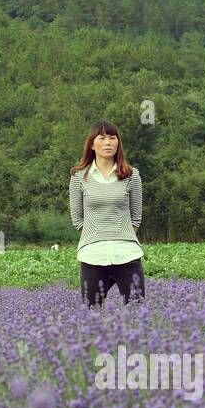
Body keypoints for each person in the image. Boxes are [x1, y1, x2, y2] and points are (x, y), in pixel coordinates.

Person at [69, 120, 144, 306]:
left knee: (138, 312)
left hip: (127, 253)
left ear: (118, 143)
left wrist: (120, 235)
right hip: (92, 255)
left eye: (112, 138)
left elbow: (136, 217)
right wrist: (97, 235)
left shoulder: (131, 174)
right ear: (92, 144)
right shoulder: (79, 176)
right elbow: (77, 219)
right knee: (91, 313)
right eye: (102, 138)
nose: (108, 142)